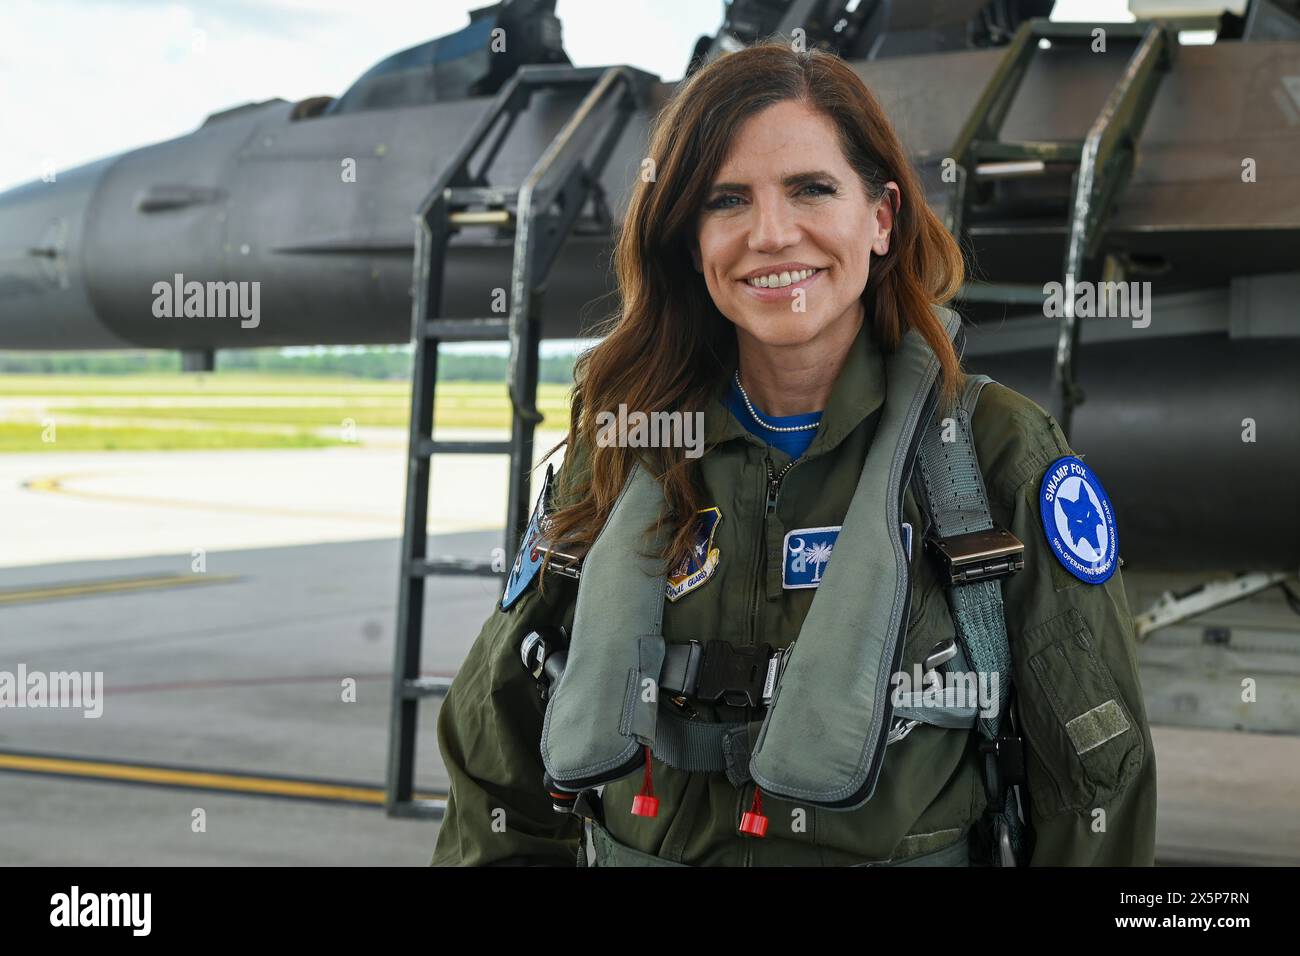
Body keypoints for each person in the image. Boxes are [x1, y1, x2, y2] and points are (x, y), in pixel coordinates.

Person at [431, 40, 1156, 867]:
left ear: (881, 218)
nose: (772, 234)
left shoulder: (994, 457)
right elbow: (496, 757)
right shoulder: (625, 445)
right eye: (726, 199)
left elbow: (1095, 790)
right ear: (688, 237)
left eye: (811, 189)